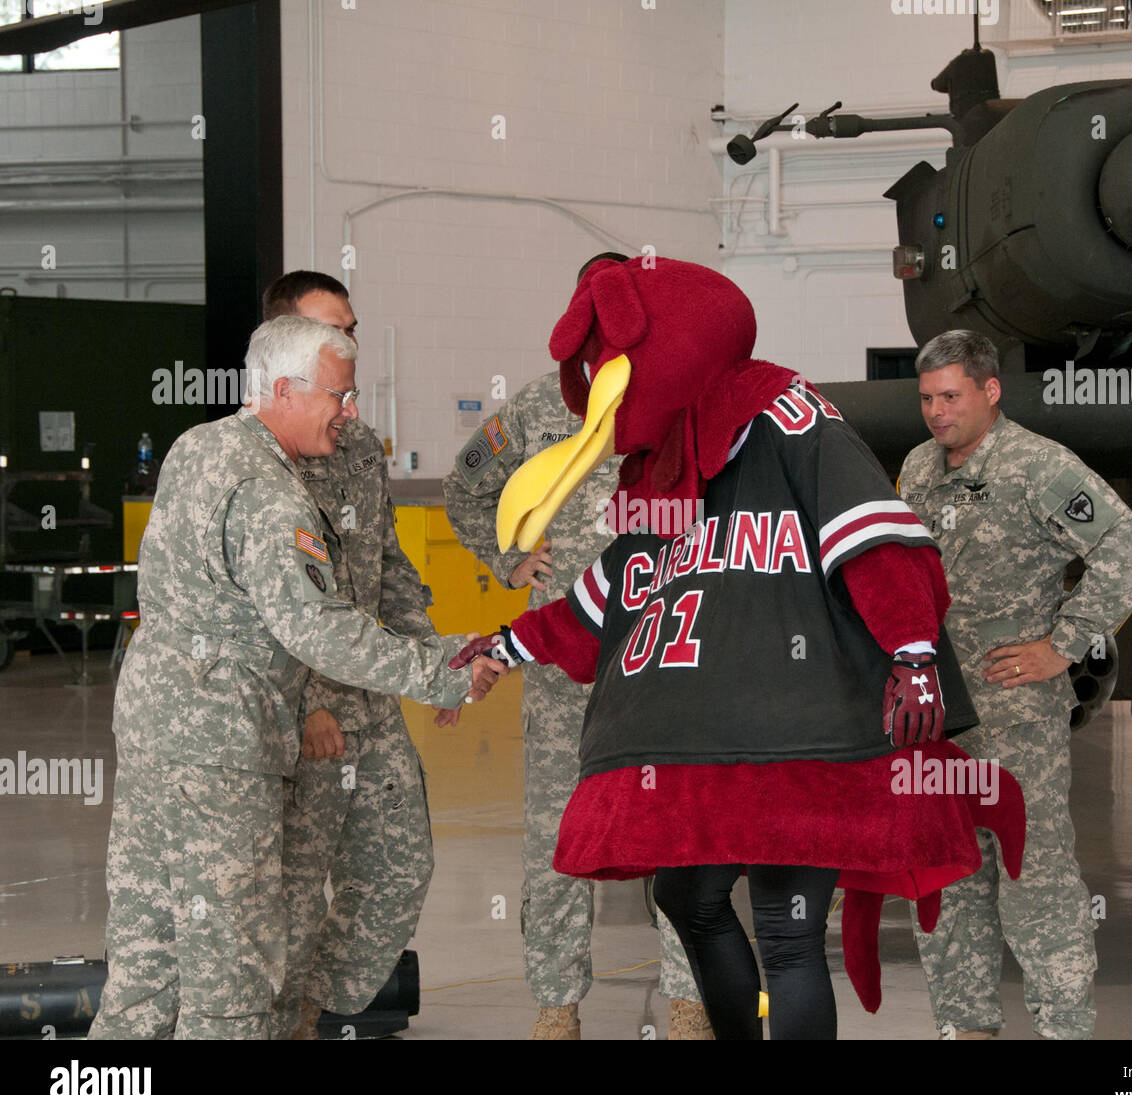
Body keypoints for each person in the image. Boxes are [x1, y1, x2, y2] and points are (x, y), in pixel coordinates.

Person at [451, 258, 1017, 1039]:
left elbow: (878, 540)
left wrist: (914, 653)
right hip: (699, 742)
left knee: (787, 934)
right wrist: (503, 645)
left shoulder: (789, 414)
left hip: (802, 735)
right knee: (688, 898)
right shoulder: (663, 468)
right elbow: (605, 599)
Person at [90, 316, 504, 1040]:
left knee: (144, 965)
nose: (349, 415)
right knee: (233, 978)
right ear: (282, 388)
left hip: (154, 725)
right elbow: (317, 627)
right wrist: (439, 674)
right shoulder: (271, 493)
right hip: (221, 744)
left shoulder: (198, 446)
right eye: (338, 398)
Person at [442, 252, 710, 1040]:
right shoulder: (535, 406)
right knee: (558, 832)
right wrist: (506, 560)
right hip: (562, 665)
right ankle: (556, 1004)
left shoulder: (679, 396)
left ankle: (691, 999)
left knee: (677, 826)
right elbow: (466, 485)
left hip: (666, 655)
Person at [898, 329, 1132, 1040]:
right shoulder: (918, 467)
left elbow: (1127, 550)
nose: (937, 413)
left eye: (950, 397)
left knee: (1032, 878)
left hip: (1015, 718)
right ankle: (964, 1026)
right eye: (926, 399)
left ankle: (1065, 1028)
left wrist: (1063, 647)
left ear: (990, 390)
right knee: (946, 879)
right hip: (937, 717)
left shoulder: (1039, 466)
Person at [253, 271, 448, 1040]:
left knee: (401, 867)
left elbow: (385, 565)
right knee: (295, 894)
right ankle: (277, 1021)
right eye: (332, 331)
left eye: (353, 329)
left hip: (372, 693)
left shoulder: (358, 441)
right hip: (306, 708)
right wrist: (310, 703)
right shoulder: (262, 453)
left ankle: (314, 1010)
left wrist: (435, 662)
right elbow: (267, 606)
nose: (348, 345)